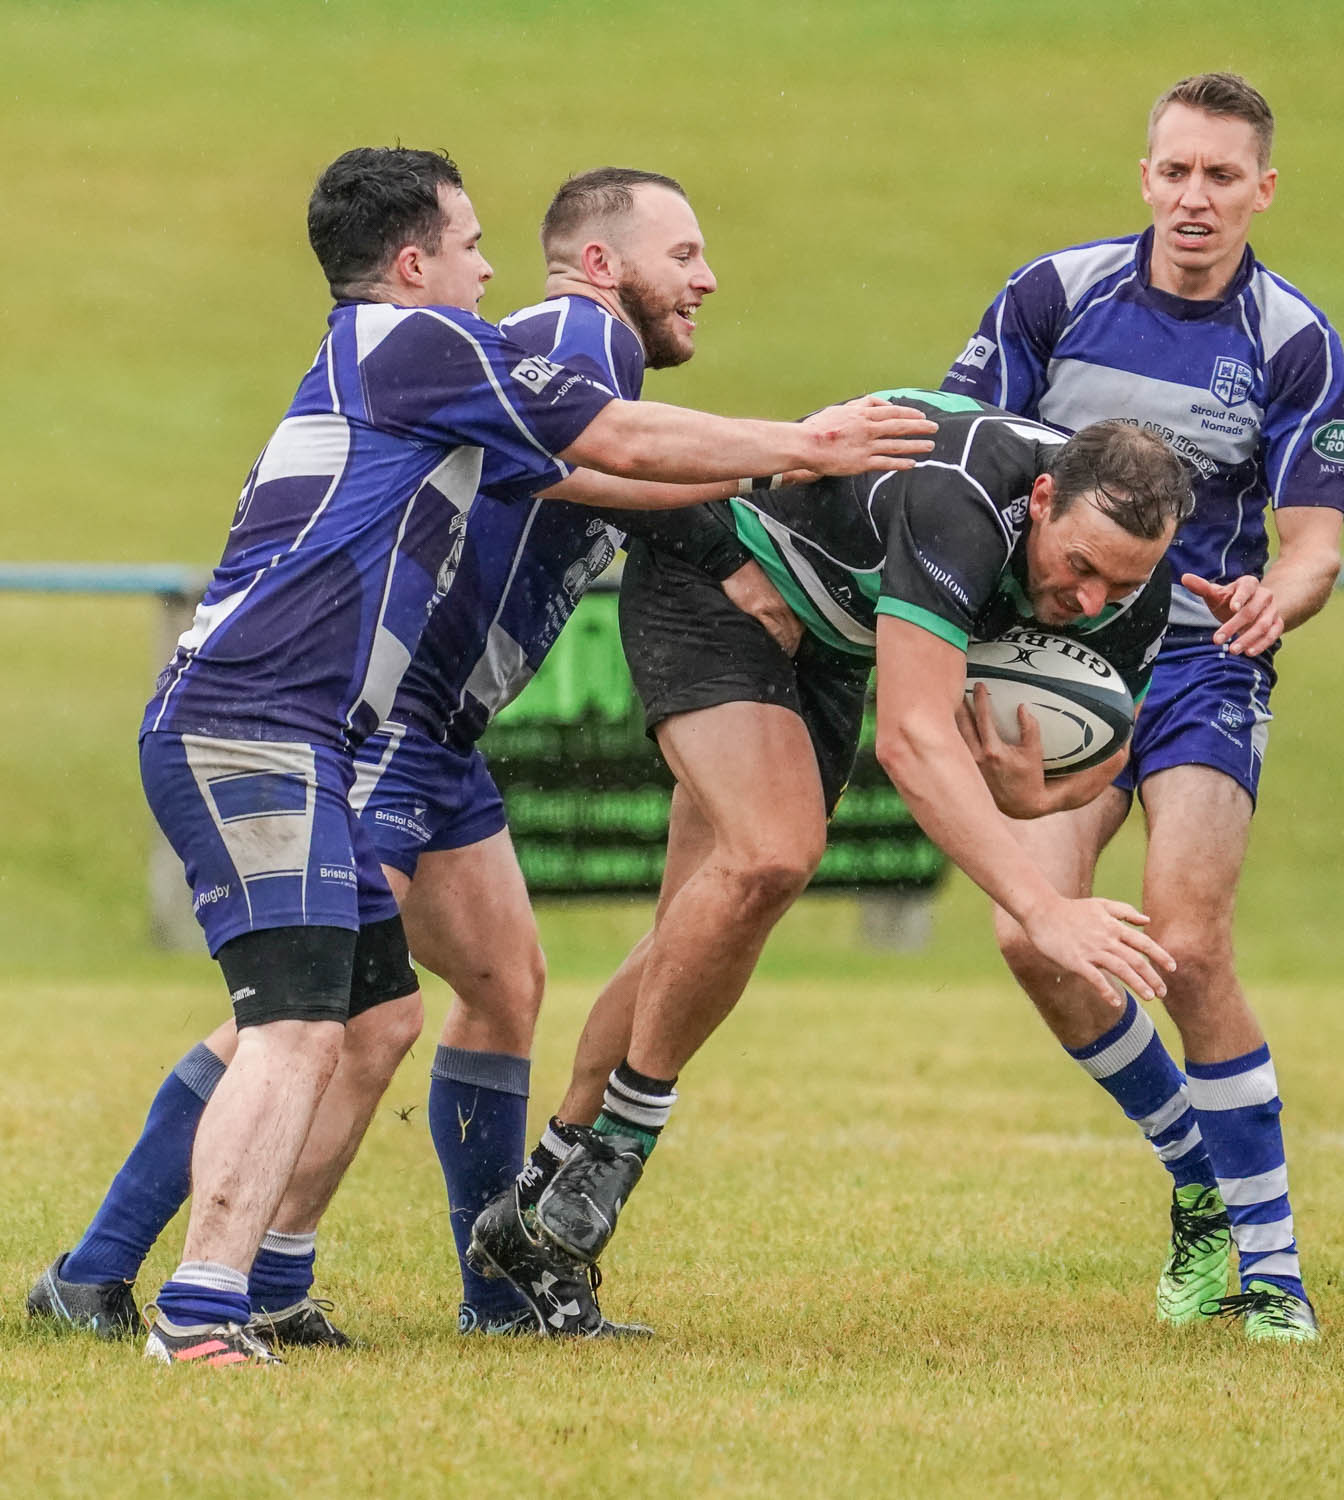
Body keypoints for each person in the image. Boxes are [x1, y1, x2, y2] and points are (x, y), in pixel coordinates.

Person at [43, 144, 931, 1369]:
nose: (706, 280)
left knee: (484, 986)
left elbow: (583, 473)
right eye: (684, 255)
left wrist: (746, 509)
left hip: (427, 731)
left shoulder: (486, 353)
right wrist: (807, 443)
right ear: (601, 263)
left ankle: (479, 1292)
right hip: (368, 721)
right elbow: (616, 443)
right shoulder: (567, 332)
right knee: (309, 1011)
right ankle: (120, 1274)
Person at [472, 399, 1209, 1315]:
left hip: (828, 640)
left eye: (1119, 584)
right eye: (1080, 568)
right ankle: (623, 1137)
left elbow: (1105, 751)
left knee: (695, 926)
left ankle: (539, 1192)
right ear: (1043, 500)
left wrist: (1036, 796)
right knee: (772, 854)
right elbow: (909, 740)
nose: (1090, 601)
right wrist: (1040, 906)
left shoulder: (1131, 580)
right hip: (720, 578)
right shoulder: (960, 500)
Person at [939, 73, 1344, 1342]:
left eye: (1220, 176)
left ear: (1261, 190)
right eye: (1174, 171)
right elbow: (963, 453)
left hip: (1202, 664)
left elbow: (1313, 543)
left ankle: (1273, 1274)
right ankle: (1197, 1178)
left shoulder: (1292, 339)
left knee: (1184, 942)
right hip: (1056, 653)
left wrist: (1279, 597)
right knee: (1033, 935)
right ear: (1144, 177)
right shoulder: (1052, 295)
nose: (1193, 197)